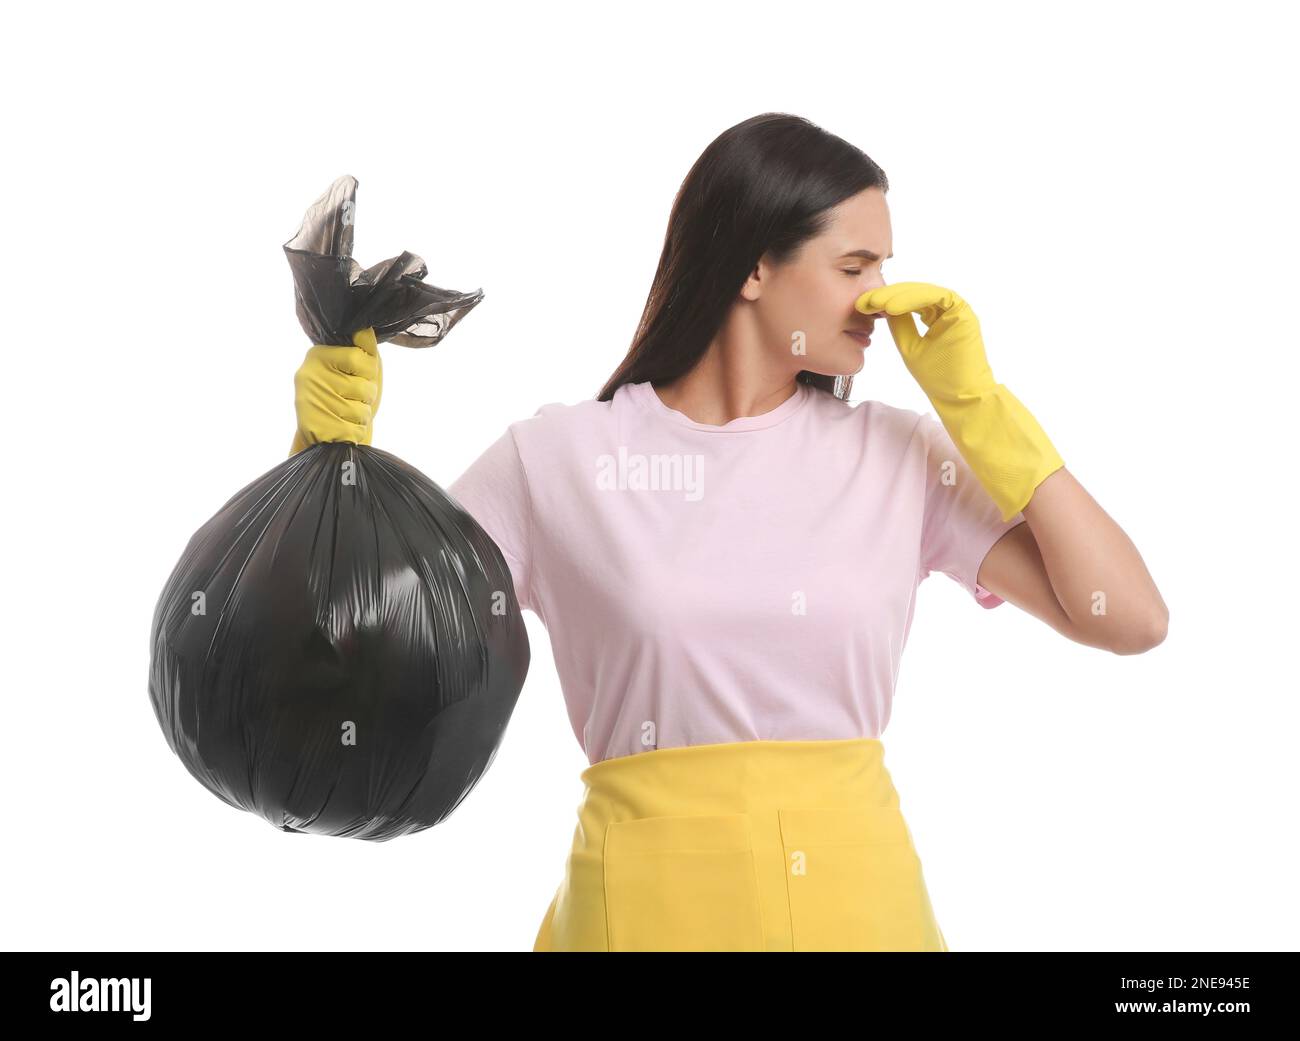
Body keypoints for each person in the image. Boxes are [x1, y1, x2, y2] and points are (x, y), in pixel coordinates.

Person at [289, 113, 1169, 951]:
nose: (884, 299)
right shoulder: (557, 460)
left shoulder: (903, 456)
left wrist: (982, 411)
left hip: (861, 914)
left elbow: (1128, 617)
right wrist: (330, 455)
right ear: (755, 269)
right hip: (646, 915)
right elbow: (354, 641)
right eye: (854, 266)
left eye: (884, 267)